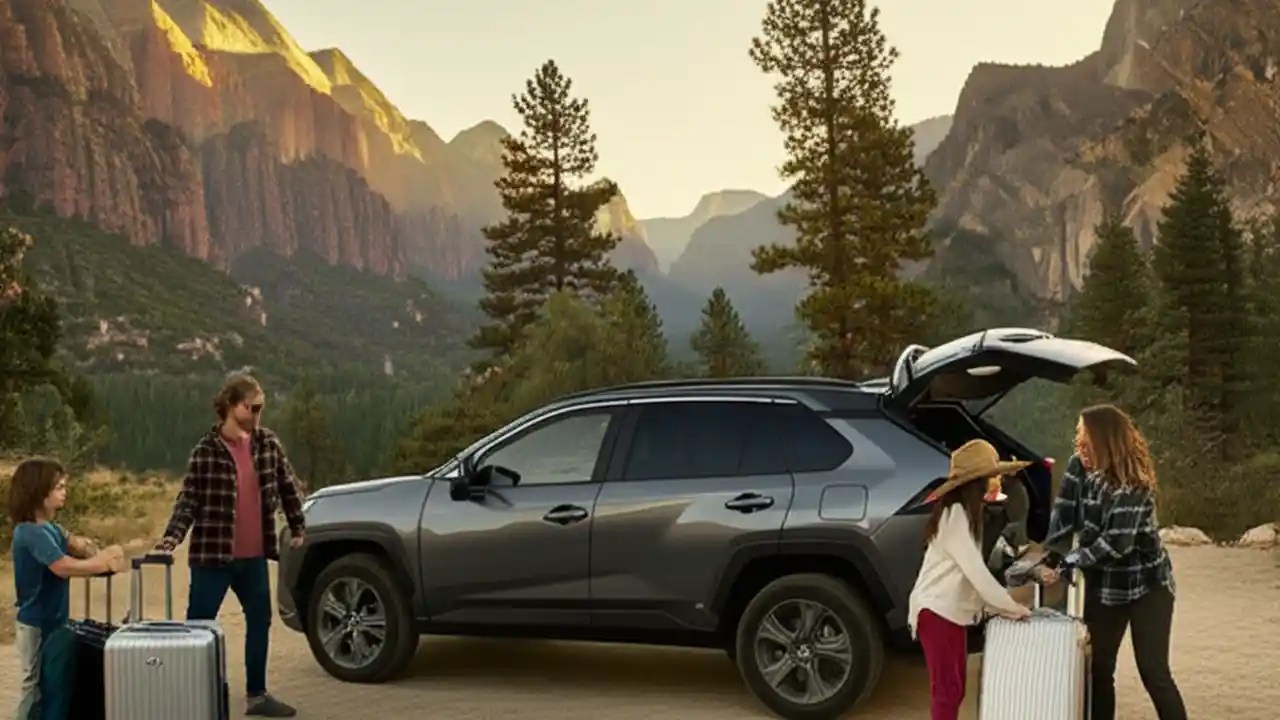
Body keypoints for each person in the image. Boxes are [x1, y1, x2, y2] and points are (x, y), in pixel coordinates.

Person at [155, 373, 307, 718]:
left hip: (253, 558)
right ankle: (190, 694)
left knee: (260, 620)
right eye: (253, 407)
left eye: (261, 408)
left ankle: (257, 695)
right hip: (212, 556)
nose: (258, 414)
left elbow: (288, 486)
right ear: (233, 405)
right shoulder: (206, 451)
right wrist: (172, 537)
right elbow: (188, 500)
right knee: (199, 627)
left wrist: (298, 525)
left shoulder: (268, 444)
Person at [1038, 404, 1187, 720]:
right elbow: (1064, 512)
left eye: (1085, 437)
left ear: (1104, 440)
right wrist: (1053, 556)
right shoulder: (1080, 466)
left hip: (1148, 587)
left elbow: (1115, 544)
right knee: (1099, 670)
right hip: (1105, 588)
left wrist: (1069, 564)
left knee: (1153, 670)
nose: (1079, 444)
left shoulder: (1133, 484)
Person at [908, 439, 1032, 720]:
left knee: (955, 690)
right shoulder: (954, 516)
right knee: (947, 692)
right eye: (993, 475)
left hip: (951, 613)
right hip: (937, 611)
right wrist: (1011, 607)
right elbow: (976, 573)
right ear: (977, 481)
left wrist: (995, 608)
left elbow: (969, 579)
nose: (997, 480)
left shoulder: (967, 514)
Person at [8, 457, 125, 720]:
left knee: (54, 683)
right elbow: (61, 566)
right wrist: (100, 562)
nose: (65, 492)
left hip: (55, 620)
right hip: (35, 625)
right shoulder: (30, 532)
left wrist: (99, 553)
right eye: (59, 487)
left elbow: (77, 546)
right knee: (34, 688)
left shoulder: (51, 529)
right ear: (39, 492)